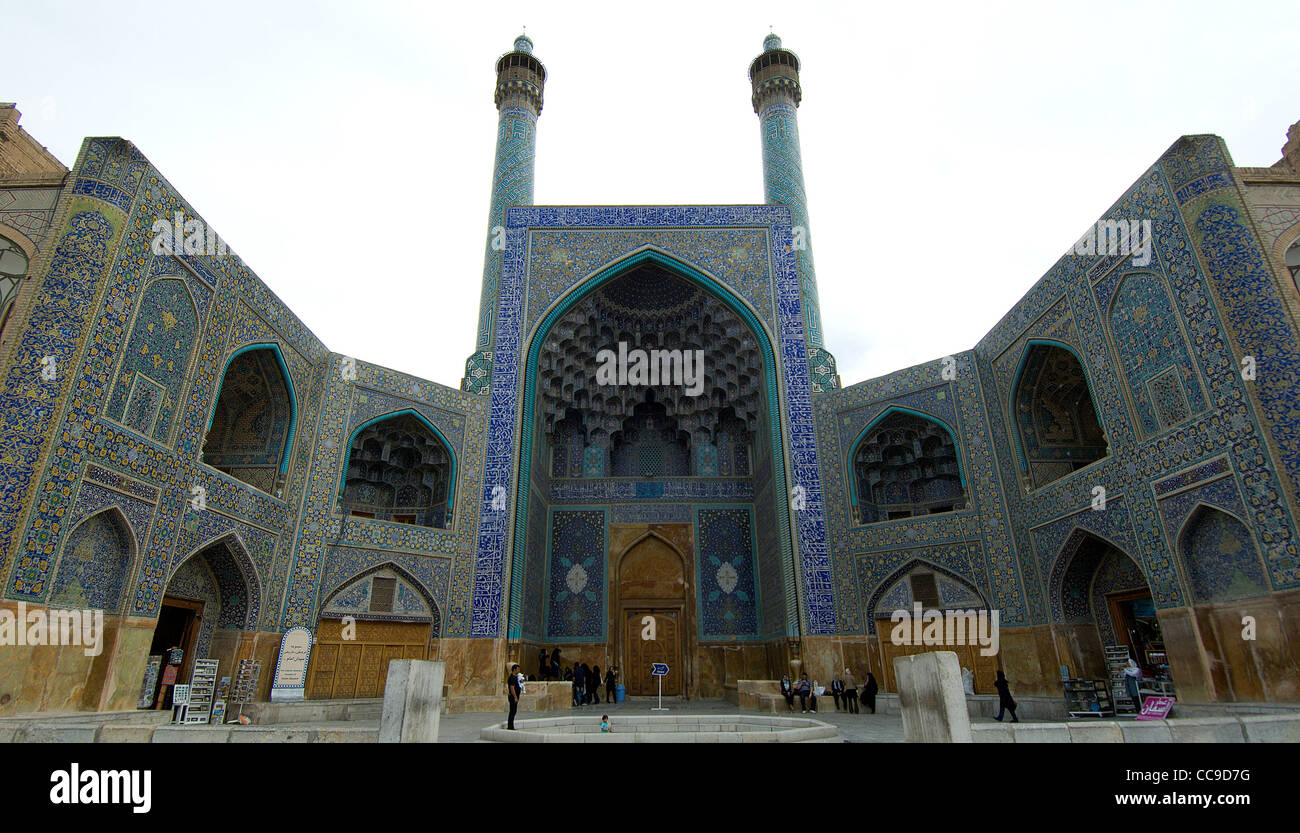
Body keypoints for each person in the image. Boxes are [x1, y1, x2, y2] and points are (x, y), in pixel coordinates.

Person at [506, 664, 522, 730]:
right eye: (518, 669)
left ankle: (511, 725)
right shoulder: (512, 678)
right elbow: (512, 688)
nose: (519, 670)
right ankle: (510, 726)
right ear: (514, 670)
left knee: (513, 711)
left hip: (515, 696)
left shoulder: (515, 677)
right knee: (512, 711)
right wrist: (515, 697)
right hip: (513, 697)